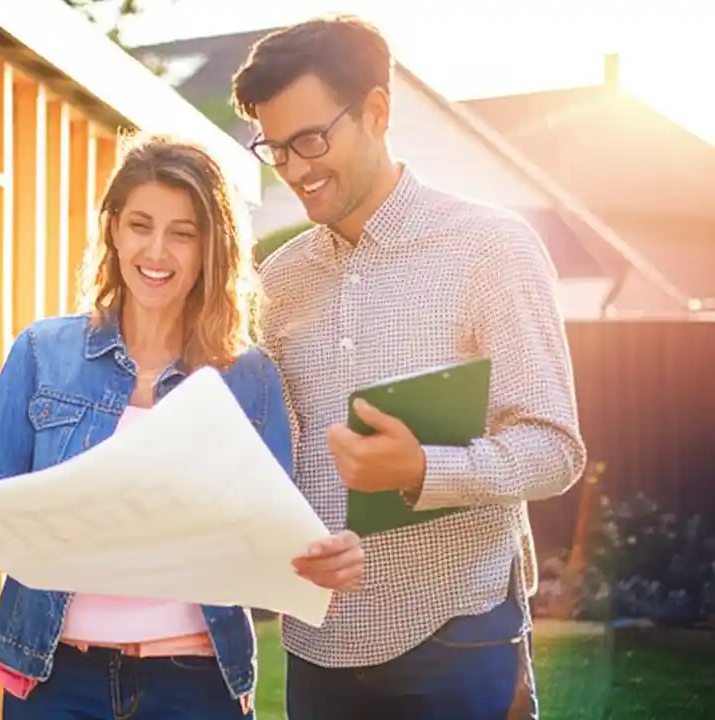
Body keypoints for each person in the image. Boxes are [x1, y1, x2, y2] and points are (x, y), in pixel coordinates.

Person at [0, 134, 364, 719]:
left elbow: (276, 537)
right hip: (55, 677)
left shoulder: (247, 376)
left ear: (212, 248)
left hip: (196, 683)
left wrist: (325, 559)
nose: (157, 252)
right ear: (113, 229)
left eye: (183, 233)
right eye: (140, 225)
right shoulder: (42, 352)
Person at [231, 15, 587, 720]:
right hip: (318, 645)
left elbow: (556, 448)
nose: (296, 169)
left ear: (376, 111)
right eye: (277, 149)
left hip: (457, 637)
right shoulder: (278, 280)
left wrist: (424, 470)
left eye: (310, 140)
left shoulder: (491, 249)